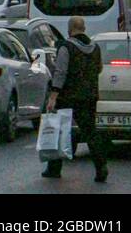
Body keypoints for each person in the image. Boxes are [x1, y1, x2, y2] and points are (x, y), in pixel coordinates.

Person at [42, 14, 108, 182]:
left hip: (69, 96)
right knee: (90, 131)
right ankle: (101, 167)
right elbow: (99, 68)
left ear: (69, 29)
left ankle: (54, 168)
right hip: (90, 95)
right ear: (84, 29)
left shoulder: (65, 47)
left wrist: (53, 96)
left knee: (60, 129)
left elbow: (61, 72)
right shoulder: (95, 48)